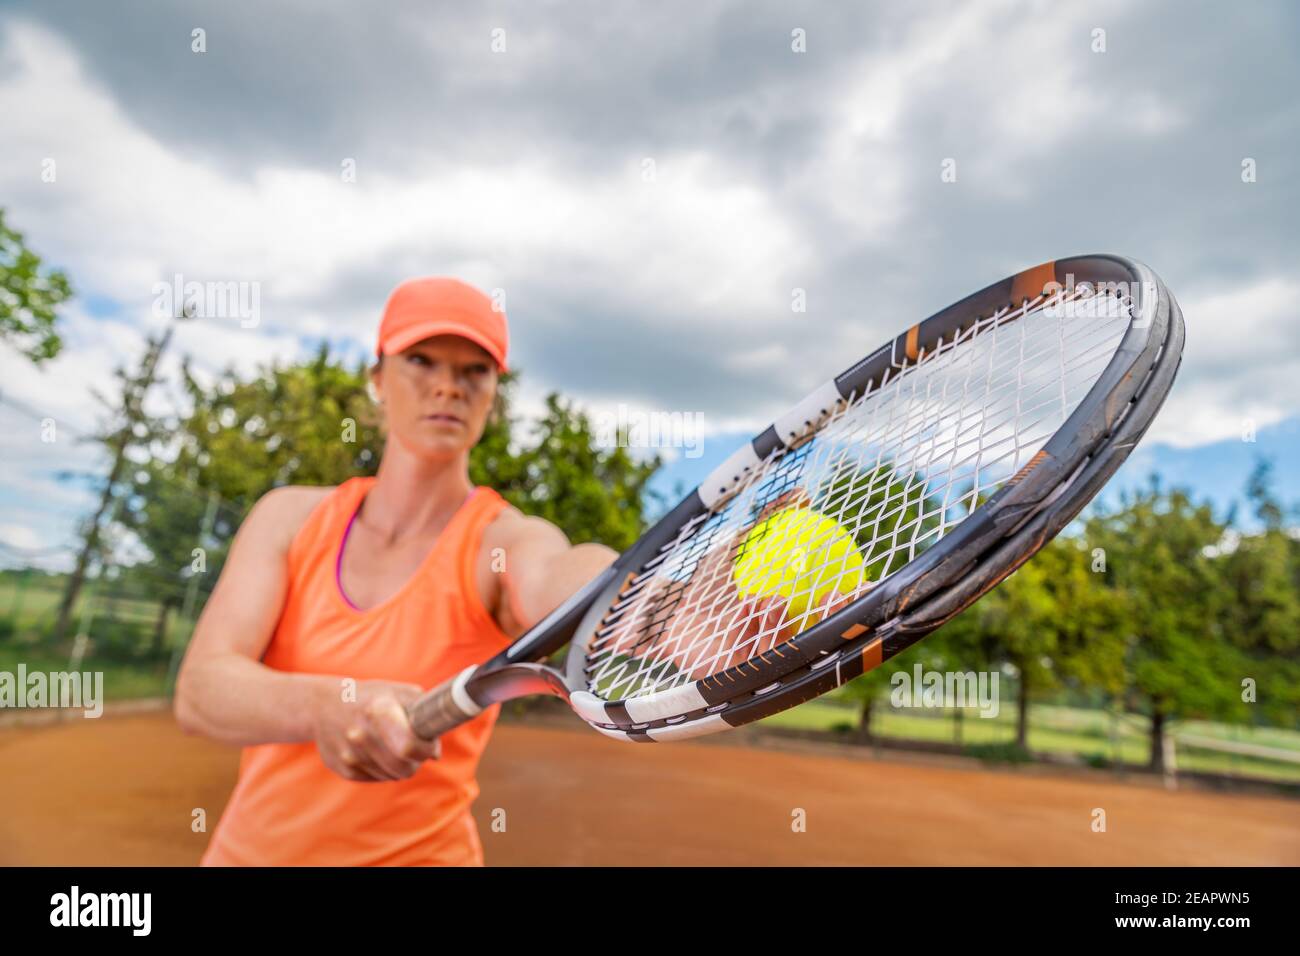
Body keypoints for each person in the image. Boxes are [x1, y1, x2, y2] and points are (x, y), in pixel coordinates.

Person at [174, 276, 619, 866]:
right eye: (421, 360)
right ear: (378, 378)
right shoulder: (288, 516)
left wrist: (641, 593)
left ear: (494, 394)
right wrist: (326, 706)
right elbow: (202, 692)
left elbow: (563, 578)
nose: (447, 387)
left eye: (474, 371)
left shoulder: (503, 539)